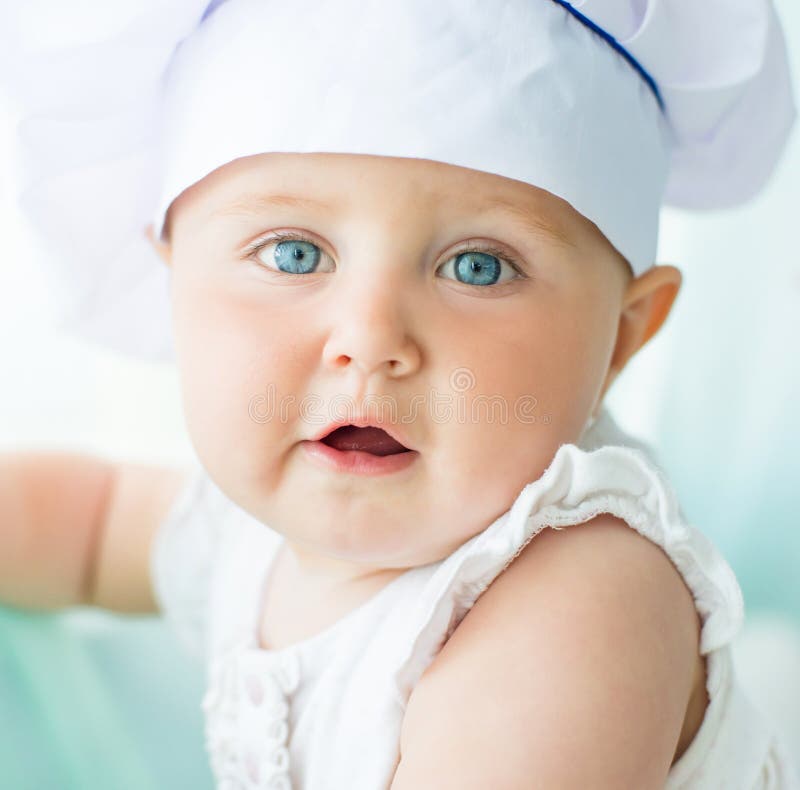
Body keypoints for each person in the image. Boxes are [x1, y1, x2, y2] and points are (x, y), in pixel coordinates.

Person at [1, 0, 798, 787]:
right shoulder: (247, 531)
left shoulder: (577, 604)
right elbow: (96, 527)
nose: (371, 339)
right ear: (172, 278)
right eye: (292, 253)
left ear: (619, 338)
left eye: (478, 266)